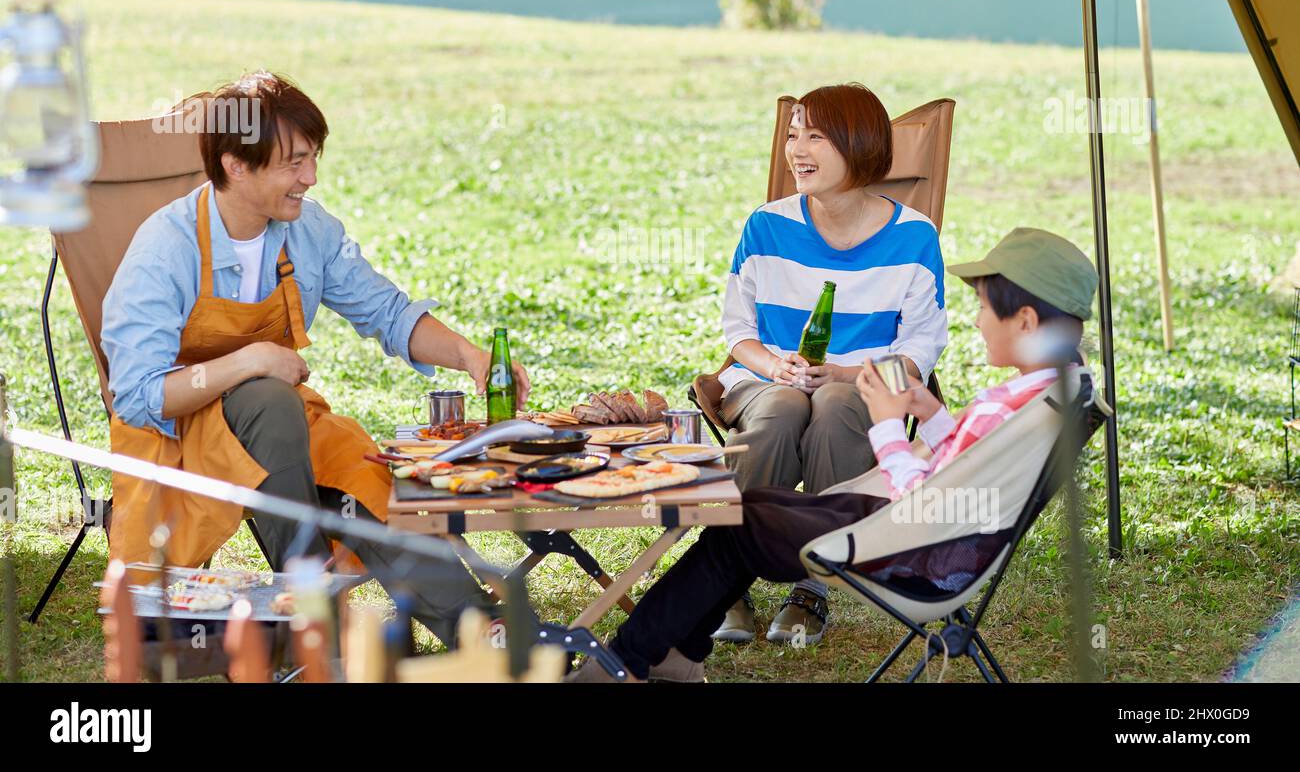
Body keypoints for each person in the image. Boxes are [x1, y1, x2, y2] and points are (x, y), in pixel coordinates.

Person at [100, 71, 531, 644]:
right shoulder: (166, 247)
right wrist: (250, 362)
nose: (311, 177)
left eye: (313, 158)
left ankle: (484, 632)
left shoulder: (308, 232)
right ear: (234, 163)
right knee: (272, 400)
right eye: (293, 163)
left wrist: (471, 357)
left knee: (364, 478)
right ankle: (313, 621)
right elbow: (138, 395)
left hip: (279, 437)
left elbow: (388, 311)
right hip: (179, 440)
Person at [570, 227, 1097, 682]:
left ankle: (626, 661)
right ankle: (676, 656)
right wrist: (930, 412)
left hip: (908, 546)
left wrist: (891, 424)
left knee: (742, 521)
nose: (979, 321)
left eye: (984, 308)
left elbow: (929, 501)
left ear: (1025, 322)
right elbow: (969, 468)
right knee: (751, 508)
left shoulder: (1013, 408)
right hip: (934, 541)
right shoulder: (1051, 395)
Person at [715, 83, 947, 646]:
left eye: (815, 136)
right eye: (793, 134)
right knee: (782, 409)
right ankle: (727, 580)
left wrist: (847, 375)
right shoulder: (766, 226)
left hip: (863, 387)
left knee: (839, 402)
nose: (797, 149)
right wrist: (776, 366)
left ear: (859, 146)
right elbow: (738, 334)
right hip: (766, 378)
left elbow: (919, 353)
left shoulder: (915, 237)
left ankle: (813, 586)